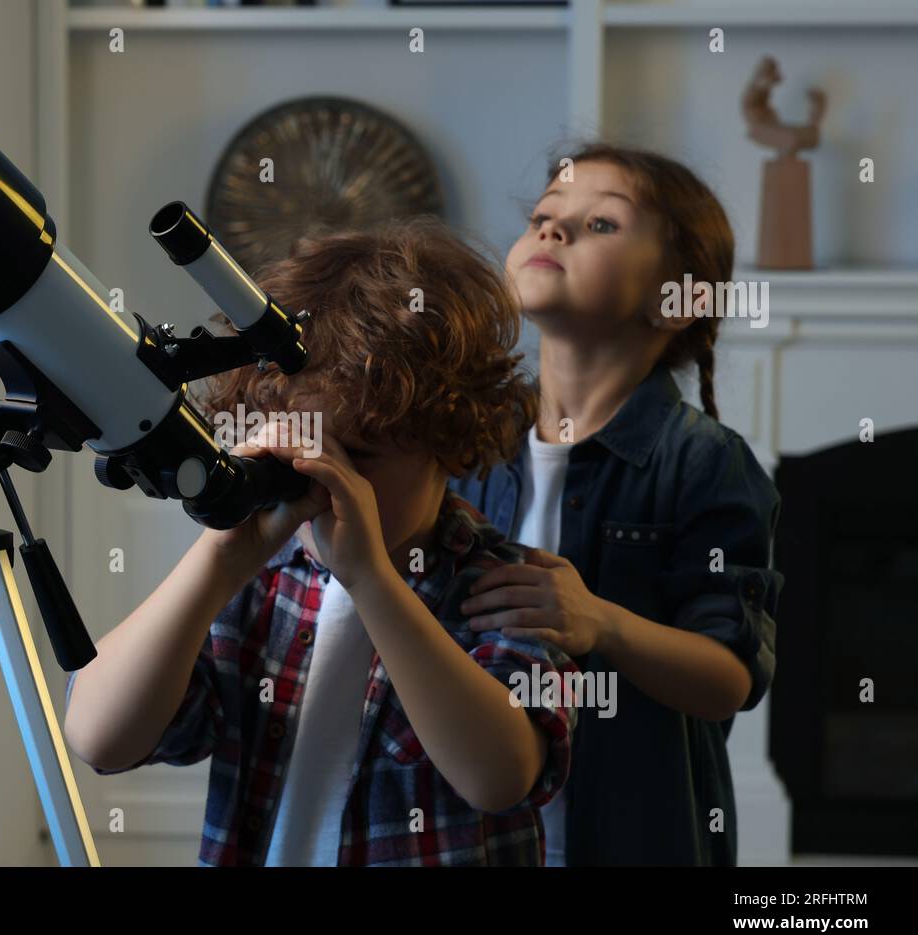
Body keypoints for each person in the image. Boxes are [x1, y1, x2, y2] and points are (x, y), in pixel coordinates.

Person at [64, 217, 578, 865]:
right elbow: (97, 736)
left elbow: (501, 776)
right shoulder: (256, 580)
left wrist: (372, 580)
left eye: (357, 453)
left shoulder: (509, 588)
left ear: (452, 443)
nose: (320, 476)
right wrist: (218, 559)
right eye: (297, 448)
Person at [449, 144, 783, 865]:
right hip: (476, 836)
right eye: (543, 216)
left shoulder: (703, 460)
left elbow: (729, 677)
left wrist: (600, 621)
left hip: (634, 837)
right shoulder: (462, 440)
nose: (552, 231)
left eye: (601, 223)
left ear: (682, 298)